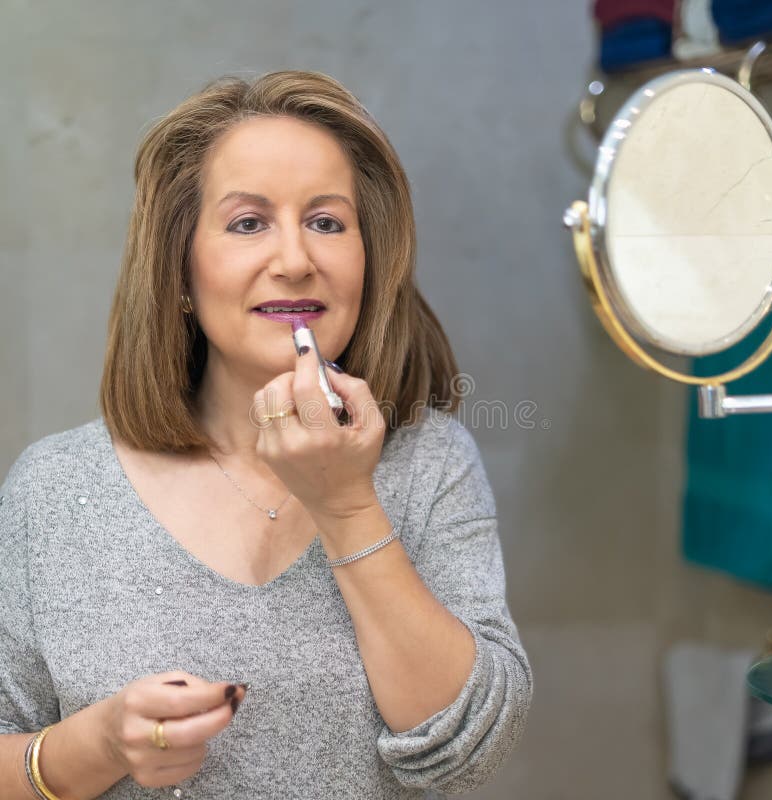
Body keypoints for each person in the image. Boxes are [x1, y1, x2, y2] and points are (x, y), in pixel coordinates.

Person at [0, 70, 533, 799]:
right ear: (181, 272)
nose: (294, 259)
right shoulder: (54, 489)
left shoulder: (429, 463)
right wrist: (95, 743)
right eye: (248, 222)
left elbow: (468, 751)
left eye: (326, 221)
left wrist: (347, 507)